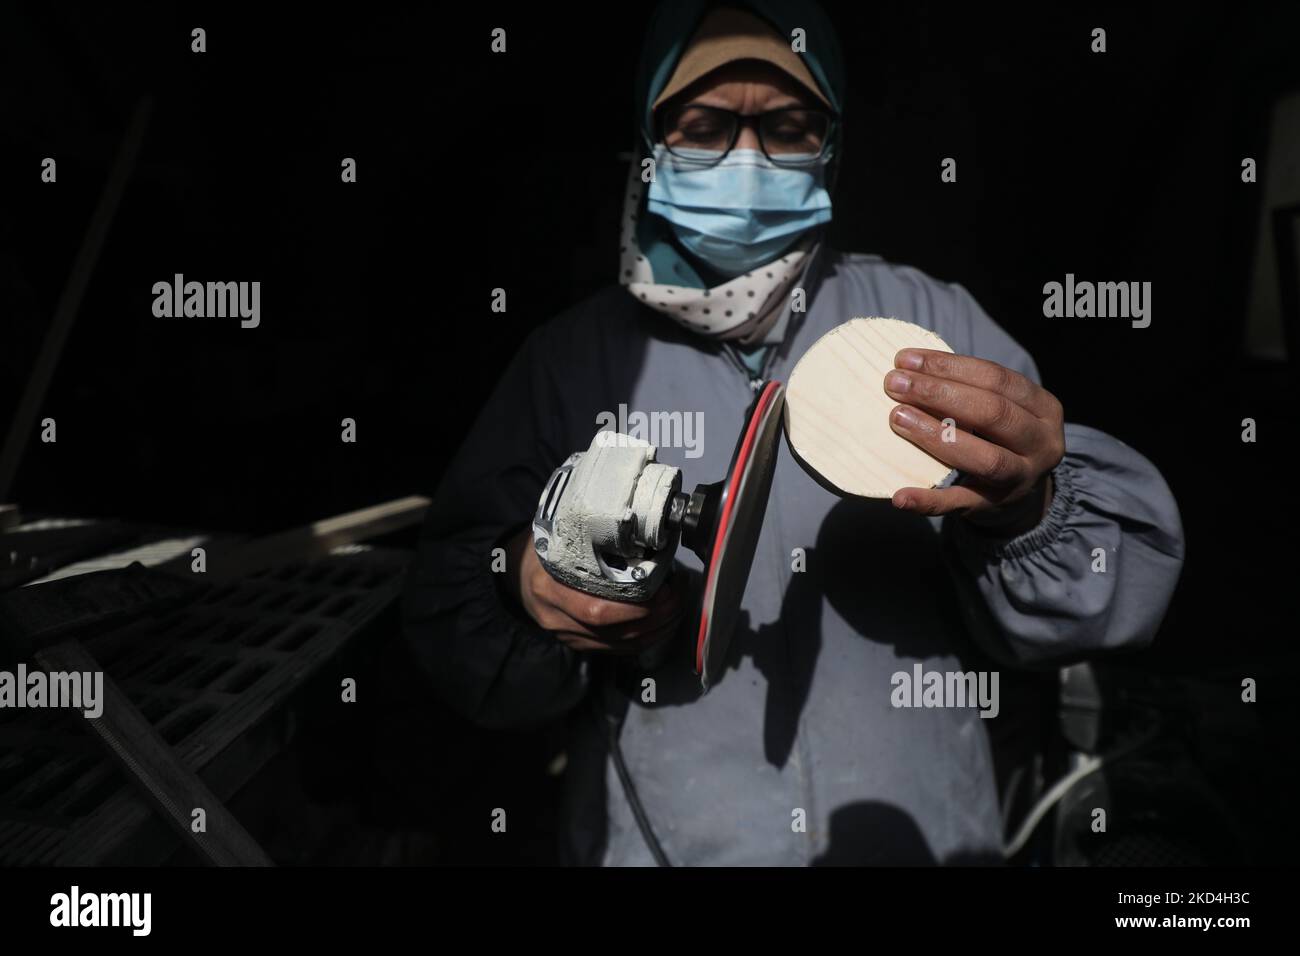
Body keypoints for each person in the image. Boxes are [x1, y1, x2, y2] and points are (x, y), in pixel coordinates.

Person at [401, 0, 1184, 865]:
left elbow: (1096, 608)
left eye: (787, 126)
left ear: (833, 144)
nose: (747, 159)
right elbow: (455, 621)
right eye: (703, 126)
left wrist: (1025, 506)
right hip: (673, 840)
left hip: (915, 832)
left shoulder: (928, 320)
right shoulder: (573, 360)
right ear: (650, 145)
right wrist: (524, 585)